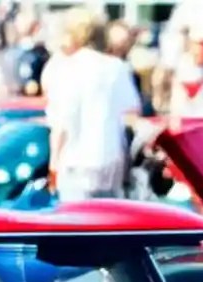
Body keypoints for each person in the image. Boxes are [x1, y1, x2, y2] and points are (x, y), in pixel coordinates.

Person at [43, 7, 140, 201]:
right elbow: (132, 111)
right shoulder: (117, 67)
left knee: (75, 225)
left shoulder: (65, 69)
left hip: (75, 164)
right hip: (110, 161)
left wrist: (53, 167)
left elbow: (61, 125)